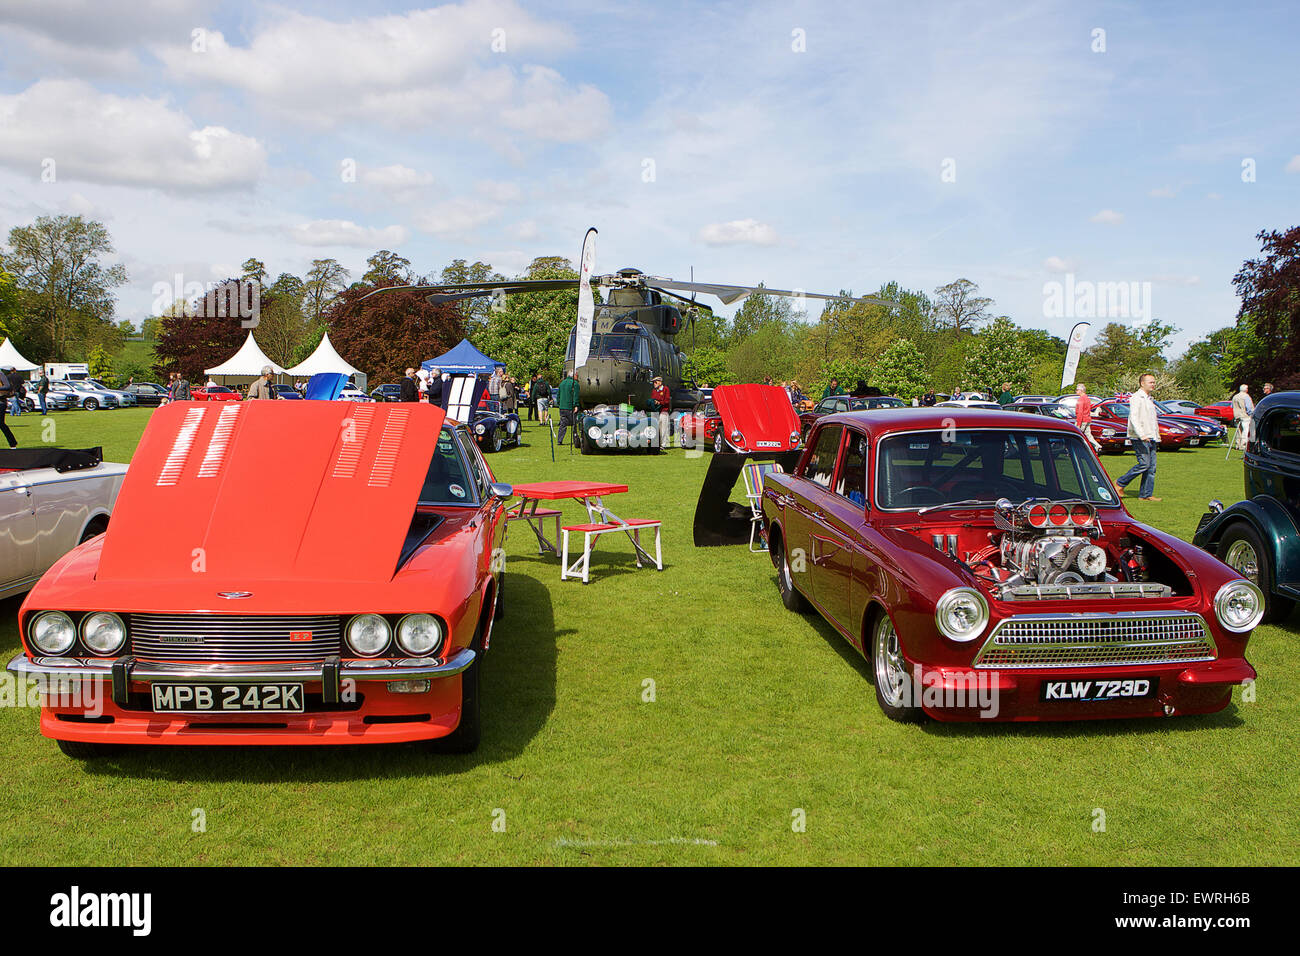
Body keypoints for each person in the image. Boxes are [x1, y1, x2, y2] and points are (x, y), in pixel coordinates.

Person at [1116, 373, 1161, 501]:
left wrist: (1156, 436)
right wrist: (1142, 434)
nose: (1153, 384)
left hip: (1151, 437)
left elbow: (1152, 420)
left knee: (1151, 467)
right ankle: (1120, 483)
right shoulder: (1136, 398)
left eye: (1154, 382)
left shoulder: (1149, 399)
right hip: (1140, 437)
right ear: (1142, 383)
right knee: (1144, 464)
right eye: (1150, 382)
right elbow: (1134, 418)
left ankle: (1146, 494)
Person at [1074, 383, 1101, 452]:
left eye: (1077, 390)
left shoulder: (1081, 400)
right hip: (1088, 419)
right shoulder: (1087, 399)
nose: (1076, 391)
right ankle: (1097, 446)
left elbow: (1080, 412)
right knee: (1088, 435)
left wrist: (1078, 424)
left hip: (1082, 420)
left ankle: (1077, 450)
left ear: (1081, 391)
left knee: (1076, 435)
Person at [557, 371, 580, 446]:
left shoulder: (562, 383)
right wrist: (576, 405)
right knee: (574, 424)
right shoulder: (575, 384)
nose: (578, 376)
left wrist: (559, 404)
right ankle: (575, 440)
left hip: (562, 407)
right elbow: (576, 396)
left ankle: (559, 440)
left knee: (563, 425)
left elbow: (558, 395)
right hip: (570, 407)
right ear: (574, 375)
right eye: (577, 375)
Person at [1231, 383, 1255, 450]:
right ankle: (1243, 445)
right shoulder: (1246, 396)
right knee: (1246, 430)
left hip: (1236, 415)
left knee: (1239, 430)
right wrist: (1251, 414)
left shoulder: (1235, 396)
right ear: (1245, 389)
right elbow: (1249, 408)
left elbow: (1232, 406)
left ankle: (1237, 444)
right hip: (1244, 416)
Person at [651, 375, 672, 448]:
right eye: (653, 382)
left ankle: (663, 444)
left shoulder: (665, 389)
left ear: (660, 382)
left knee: (663, 429)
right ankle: (656, 444)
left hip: (664, 411)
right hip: (656, 412)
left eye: (655, 382)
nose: (654, 384)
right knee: (656, 428)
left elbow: (667, 400)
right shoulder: (654, 391)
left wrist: (659, 403)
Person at [0, 366, 18, 447]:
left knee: (1, 424)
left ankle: (12, 443)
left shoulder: (1, 374)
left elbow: (7, 386)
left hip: (1, 402)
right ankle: (13, 443)